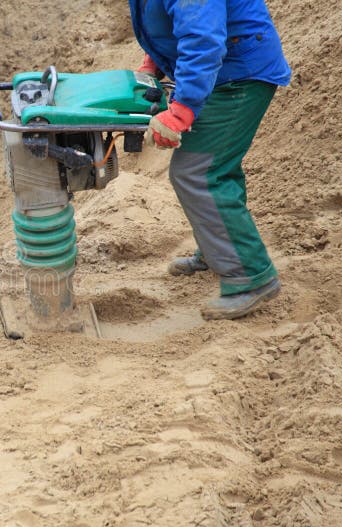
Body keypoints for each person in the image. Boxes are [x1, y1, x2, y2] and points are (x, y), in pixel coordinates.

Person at [129, 0, 291, 320]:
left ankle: (250, 277)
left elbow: (203, 39)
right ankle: (218, 253)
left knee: (199, 171)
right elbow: (174, 21)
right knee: (215, 168)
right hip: (224, 68)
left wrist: (182, 109)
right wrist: (153, 63)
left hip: (238, 74)